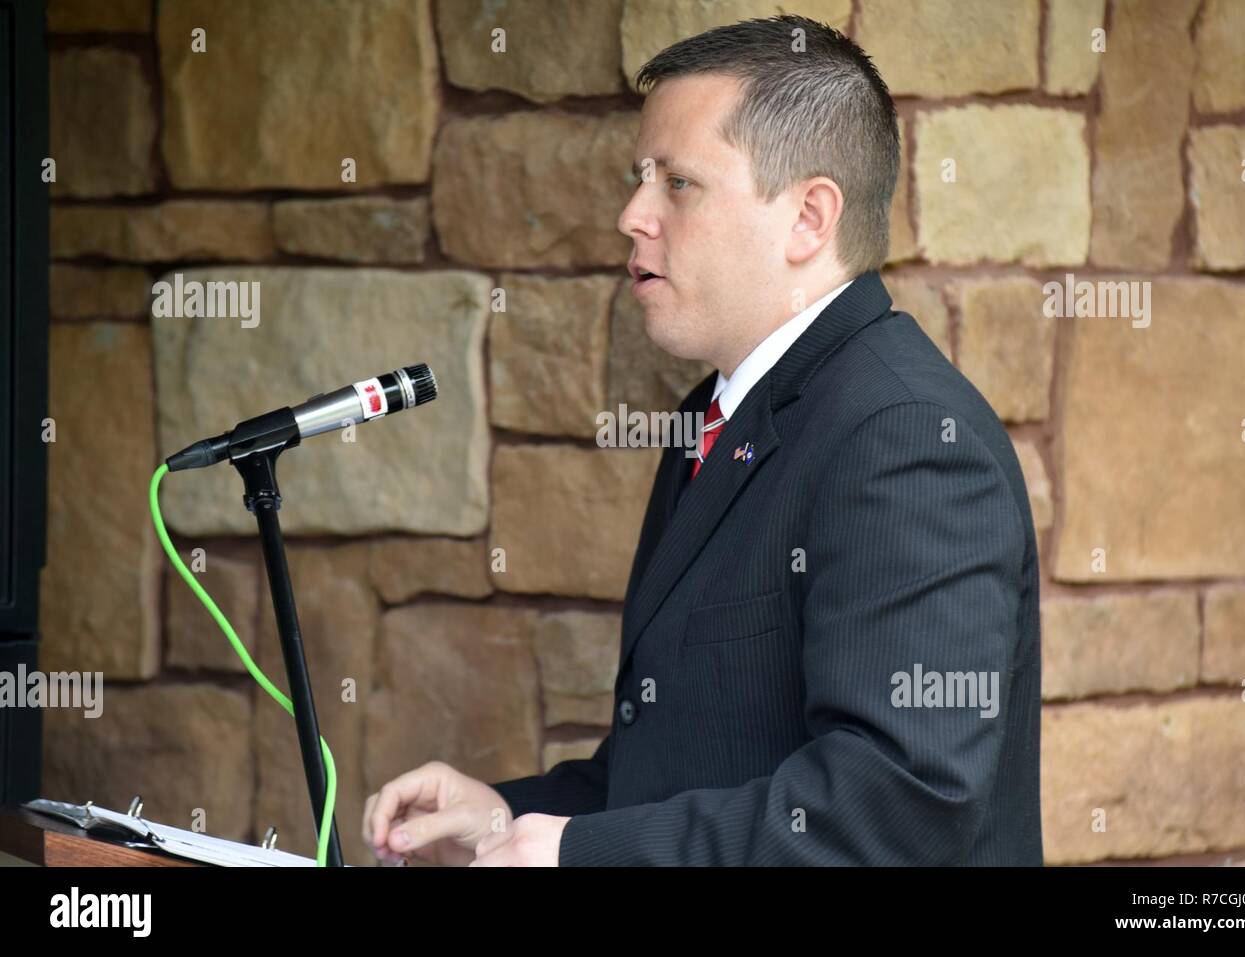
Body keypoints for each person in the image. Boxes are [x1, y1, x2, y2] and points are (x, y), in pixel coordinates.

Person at [363, 14, 1042, 867]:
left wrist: (582, 858)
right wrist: (509, 815)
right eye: (638, 177)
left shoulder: (906, 440)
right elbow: (686, 764)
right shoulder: (713, 416)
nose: (631, 215)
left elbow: (896, 811)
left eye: (677, 183)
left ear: (808, 218)